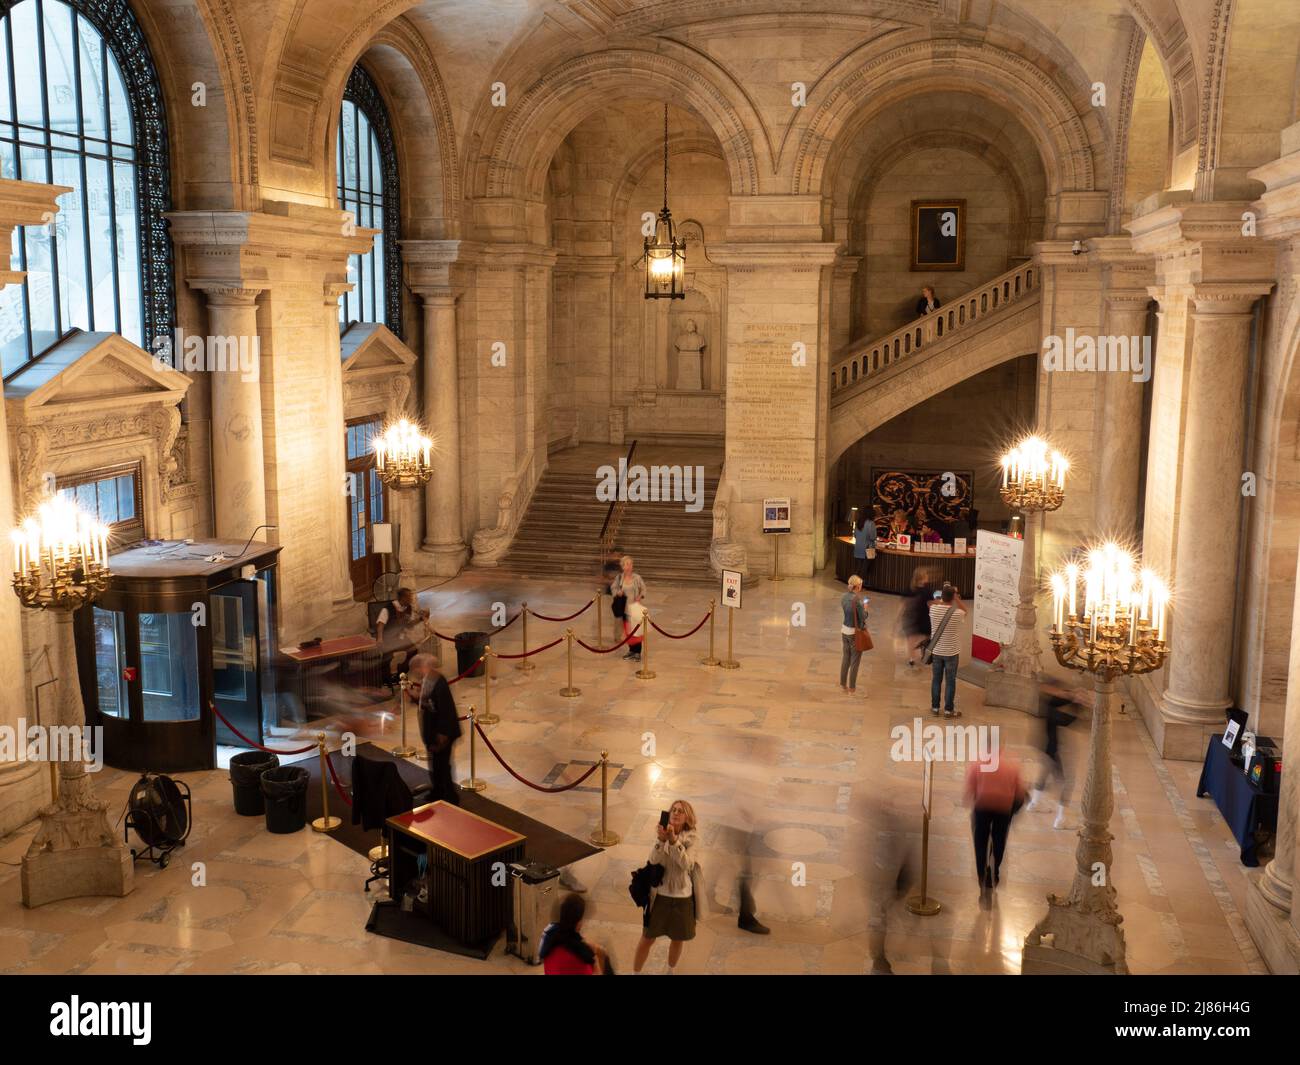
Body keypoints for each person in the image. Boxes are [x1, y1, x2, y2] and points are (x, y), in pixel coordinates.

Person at [633, 799, 702, 973]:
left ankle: (670, 971)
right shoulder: (662, 834)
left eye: (680, 811)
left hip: (682, 897)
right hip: (660, 895)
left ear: (687, 817)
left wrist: (674, 843)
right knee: (647, 938)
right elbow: (653, 861)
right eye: (674, 810)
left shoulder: (692, 839)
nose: (676, 813)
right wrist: (661, 840)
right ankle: (635, 973)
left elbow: (687, 865)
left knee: (677, 939)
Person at [965, 749, 1026, 908]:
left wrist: (971, 800)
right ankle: (995, 872)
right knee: (999, 840)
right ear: (1001, 748)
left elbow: (971, 788)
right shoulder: (1012, 765)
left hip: (982, 808)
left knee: (980, 843)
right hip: (1003, 809)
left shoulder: (977, 764)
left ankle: (982, 875)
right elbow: (1020, 792)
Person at [1027, 679, 1085, 830]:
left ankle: (1035, 803)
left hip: (1046, 748)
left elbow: (1058, 701)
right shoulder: (1052, 708)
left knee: (1044, 773)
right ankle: (1061, 819)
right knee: (1068, 782)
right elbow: (1069, 720)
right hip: (1052, 749)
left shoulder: (1047, 702)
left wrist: (1073, 696)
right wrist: (1079, 703)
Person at [408, 652, 461, 804]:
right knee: (437, 766)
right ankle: (438, 792)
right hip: (433, 733)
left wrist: (442, 734)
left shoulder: (438, 682)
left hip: (443, 733)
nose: (415, 673)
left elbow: (445, 709)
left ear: (423, 667)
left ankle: (450, 797)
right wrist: (415, 697)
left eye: (415, 669)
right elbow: (429, 702)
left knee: (442, 766)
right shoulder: (429, 680)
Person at [540, 893, 608, 974]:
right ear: (578, 923)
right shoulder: (581, 957)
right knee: (602, 955)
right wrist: (596, 960)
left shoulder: (549, 936)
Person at [927, 583, 965, 717]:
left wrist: (942, 599)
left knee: (936, 680)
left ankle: (935, 708)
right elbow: (964, 610)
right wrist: (956, 598)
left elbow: (931, 603)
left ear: (942, 597)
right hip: (952, 652)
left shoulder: (933, 610)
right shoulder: (957, 613)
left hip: (936, 651)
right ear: (953, 597)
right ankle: (948, 710)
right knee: (950, 681)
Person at [375, 587, 428, 678]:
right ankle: (385, 677)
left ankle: (401, 672)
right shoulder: (388, 608)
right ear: (403, 598)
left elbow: (408, 625)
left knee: (413, 650)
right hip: (387, 637)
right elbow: (380, 623)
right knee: (387, 656)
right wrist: (380, 638)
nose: (411, 599)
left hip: (400, 637)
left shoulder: (408, 608)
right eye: (409, 597)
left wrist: (420, 619)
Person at [839, 574, 869, 694]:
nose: (861, 587)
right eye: (861, 585)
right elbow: (863, 617)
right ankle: (852, 687)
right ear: (857, 587)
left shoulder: (843, 597)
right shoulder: (857, 600)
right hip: (854, 633)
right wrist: (866, 608)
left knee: (846, 658)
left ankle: (842, 683)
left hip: (844, 630)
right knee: (855, 661)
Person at [899, 568, 934, 667]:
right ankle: (923, 650)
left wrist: (898, 619)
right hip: (923, 619)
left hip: (910, 618)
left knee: (911, 640)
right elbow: (931, 605)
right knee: (926, 637)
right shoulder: (927, 591)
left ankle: (912, 659)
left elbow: (903, 605)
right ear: (923, 577)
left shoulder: (909, 589)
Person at [609, 554, 646, 625]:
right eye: (627, 564)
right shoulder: (619, 578)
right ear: (623, 567)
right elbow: (613, 588)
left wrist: (640, 596)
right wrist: (617, 592)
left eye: (631, 564)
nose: (629, 566)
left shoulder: (637, 578)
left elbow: (644, 589)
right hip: (624, 609)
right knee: (627, 631)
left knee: (636, 631)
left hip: (635, 608)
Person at [852, 514, 877, 580]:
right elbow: (873, 537)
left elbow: (855, 535)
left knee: (858, 568)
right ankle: (859, 585)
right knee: (864, 568)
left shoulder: (859, 522)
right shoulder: (871, 523)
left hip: (858, 547)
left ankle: (854, 583)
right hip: (867, 548)